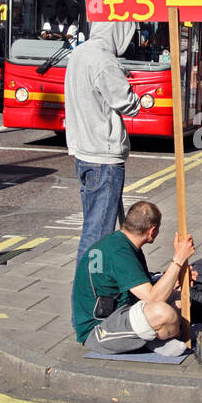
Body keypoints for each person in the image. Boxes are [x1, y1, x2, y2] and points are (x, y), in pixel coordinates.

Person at [71, 201, 202, 367]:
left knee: (181, 299)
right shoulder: (120, 253)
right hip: (98, 330)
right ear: (152, 231)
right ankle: (155, 338)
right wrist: (178, 259)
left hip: (121, 312)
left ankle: (154, 336)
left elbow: (144, 286)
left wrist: (177, 279)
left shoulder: (120, 243)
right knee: (164, 312)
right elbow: (153, 297)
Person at [65, 21, 141, 266]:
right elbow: (127, 102)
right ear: (118, 31)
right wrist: (132, 91)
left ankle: (97, 286)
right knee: (97, 234)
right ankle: (87, 293)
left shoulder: (79, 53)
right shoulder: (104, 61)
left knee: (94, 226)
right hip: (103, 156)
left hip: (84, 152)